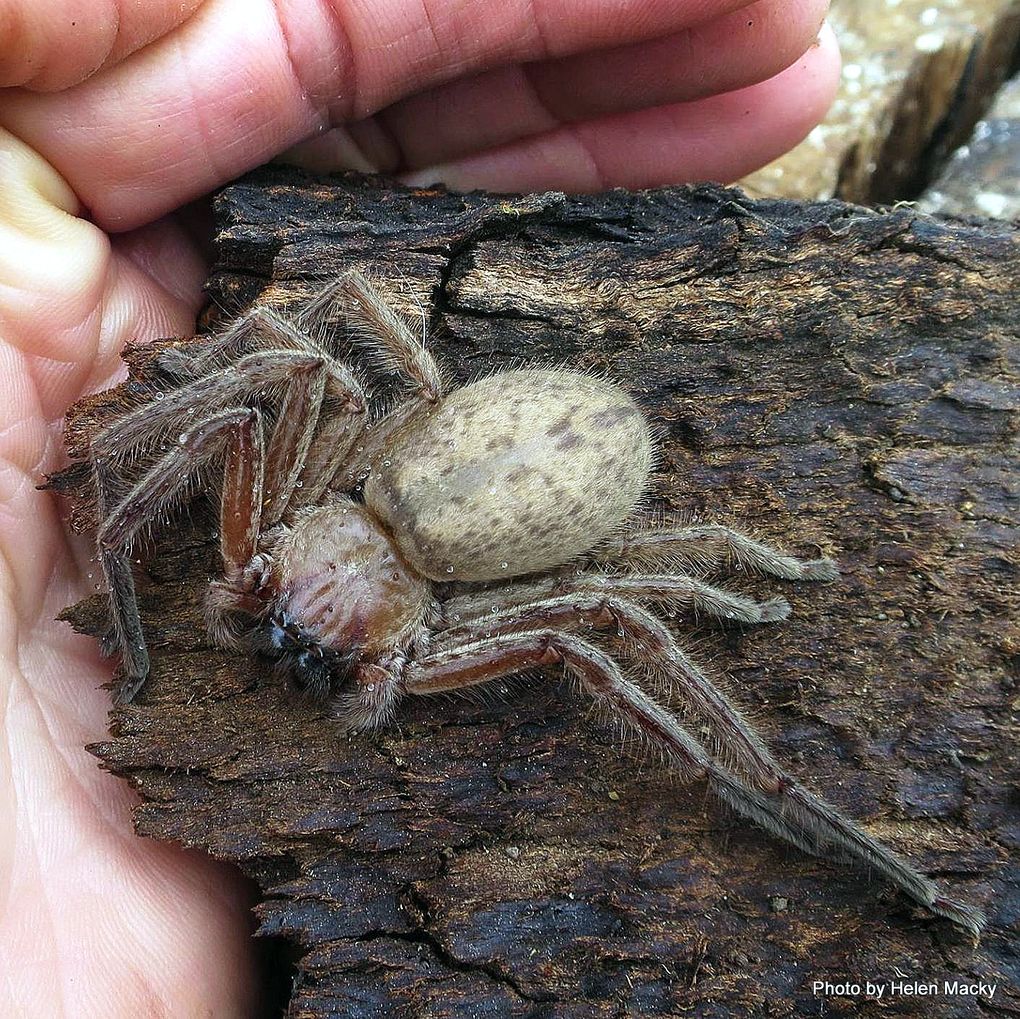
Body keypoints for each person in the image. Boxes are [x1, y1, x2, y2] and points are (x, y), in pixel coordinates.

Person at [0, 2, 839, 1014]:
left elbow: (623, 605)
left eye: (286, 591)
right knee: (273, 386)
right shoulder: (314, 470)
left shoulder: (473, 607)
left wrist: (744, 566)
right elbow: (281, 357)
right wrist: (116, 503)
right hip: (440, 471)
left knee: (604, 625)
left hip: (542, 488)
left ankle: (775, 792)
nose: (309, 615)